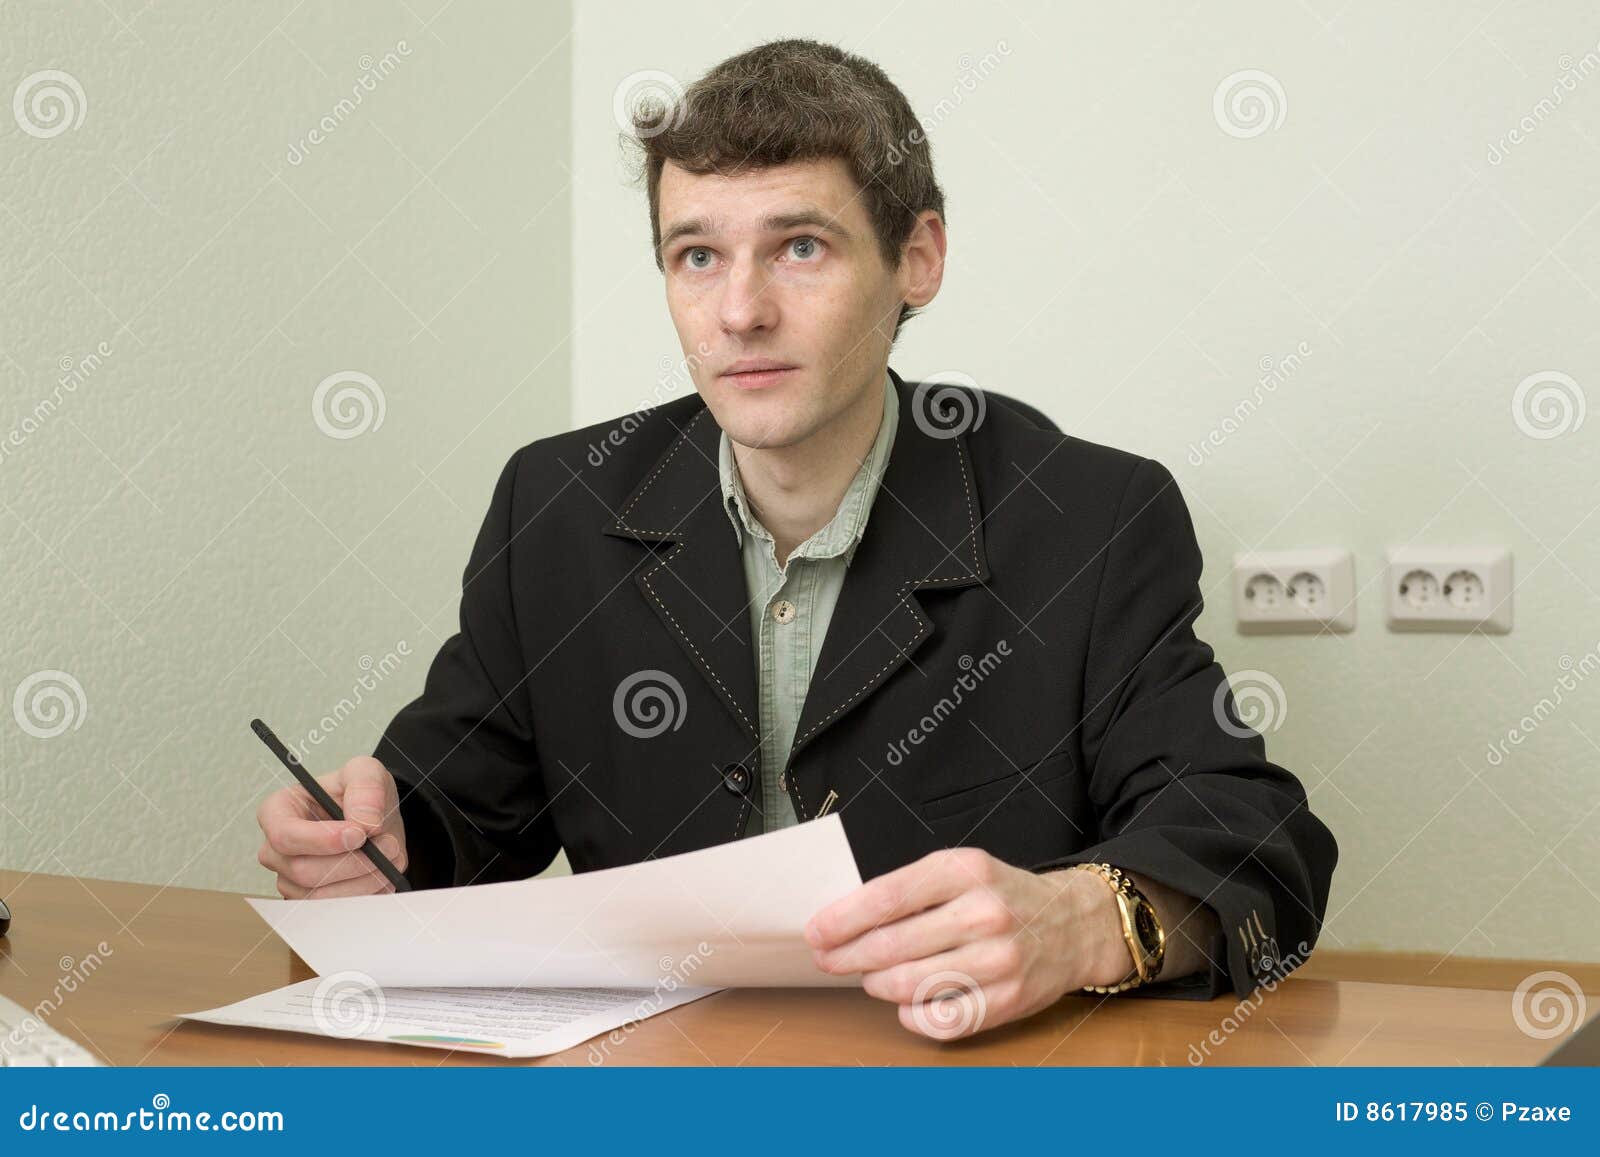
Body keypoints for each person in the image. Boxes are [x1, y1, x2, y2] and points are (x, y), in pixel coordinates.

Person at [256, 38, 1337, 1040]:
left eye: (800, 247)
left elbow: (1253, 841)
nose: (739, 312)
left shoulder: (1088, 517)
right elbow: (456, 812)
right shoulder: (559, 502)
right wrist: (381, 850)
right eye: (695, 256)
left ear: (917, 259)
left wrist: (1080, 919)